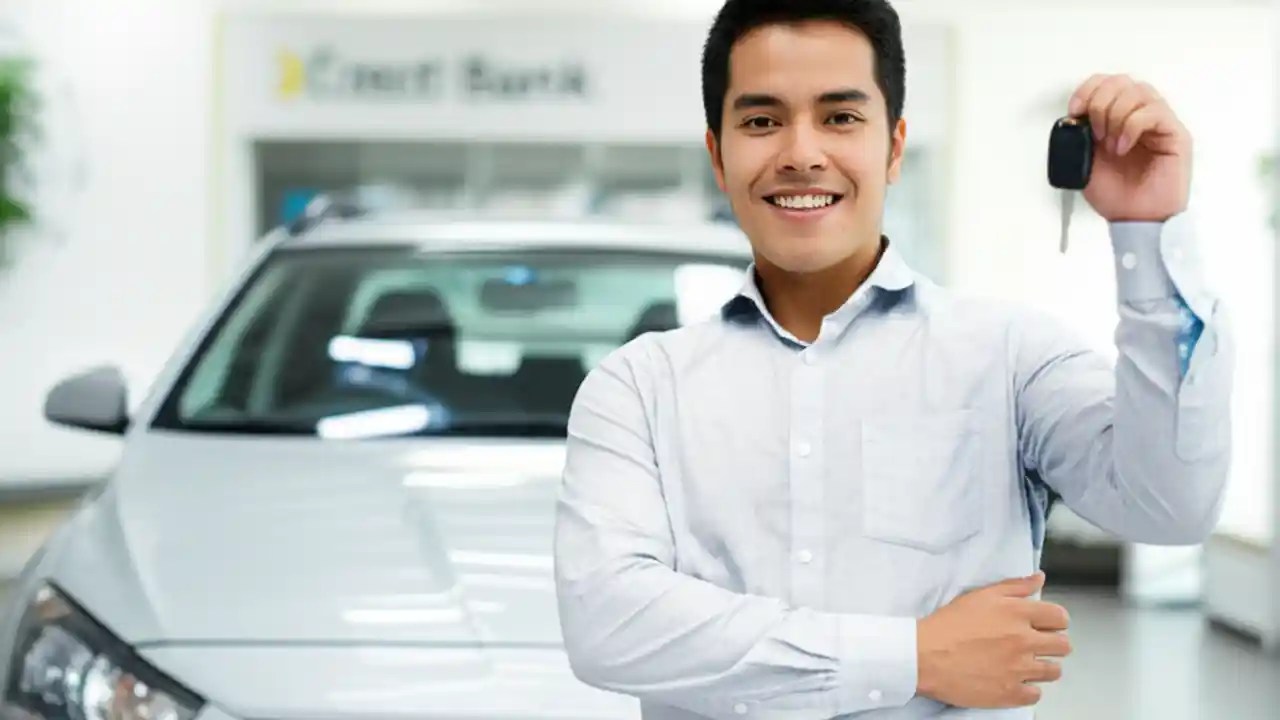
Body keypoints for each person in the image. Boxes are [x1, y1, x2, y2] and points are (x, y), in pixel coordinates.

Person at [553, 0, 1233, 717]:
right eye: (761, 122)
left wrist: (1148, 230)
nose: (801, 153)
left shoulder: (1009, 357)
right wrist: (915, 657)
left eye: (840, 117)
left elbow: (1172, 508)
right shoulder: (638, 389)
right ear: (718, 156)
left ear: (894, 146)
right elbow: (610, 624)